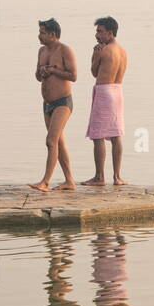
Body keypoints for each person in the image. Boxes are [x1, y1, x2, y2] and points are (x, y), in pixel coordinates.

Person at [30, 19, 77, 193]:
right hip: (47, 104)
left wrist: (53, 70)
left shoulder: (65, 50)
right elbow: (36, 76)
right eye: (39, 31)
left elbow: (73, 76)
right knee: (59, 142)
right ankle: (69, 181)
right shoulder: (41, 51)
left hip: (62, 102)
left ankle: (45, 182)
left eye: (42, 32)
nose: (39, 35)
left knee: (51, 141)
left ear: (52, 34)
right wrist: (41, 72)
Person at [82, 17, 128, 186]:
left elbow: (95, 72)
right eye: (97, 31)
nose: (97, 35)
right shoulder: (122, 51)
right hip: (117, 91)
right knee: (116, 135)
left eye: (100, 31)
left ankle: (99, 177)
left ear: (110, 33)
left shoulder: (104, 50)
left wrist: (95, 55)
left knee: (98, 136)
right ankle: (117, 177)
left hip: (104, 91)